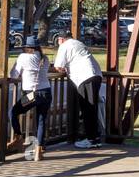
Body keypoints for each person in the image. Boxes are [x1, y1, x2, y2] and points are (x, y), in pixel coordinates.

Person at [53, 29, 103, 149]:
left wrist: (62, 70)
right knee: (92, 107)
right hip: (95, 74)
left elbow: (58, 66)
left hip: (84, 77)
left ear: (61, 39)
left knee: (88, 108)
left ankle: (91, 139)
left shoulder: (64, 46)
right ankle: (95, 138)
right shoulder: (78, 43)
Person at [7, 30, 52, 158]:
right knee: (41, 120)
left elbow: (13, 74)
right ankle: (39, 151)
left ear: (27, 47)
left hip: (33, 94)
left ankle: (18, 137)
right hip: (46, 92)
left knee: (13, 112)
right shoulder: (44, 58)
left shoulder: (23, 57)